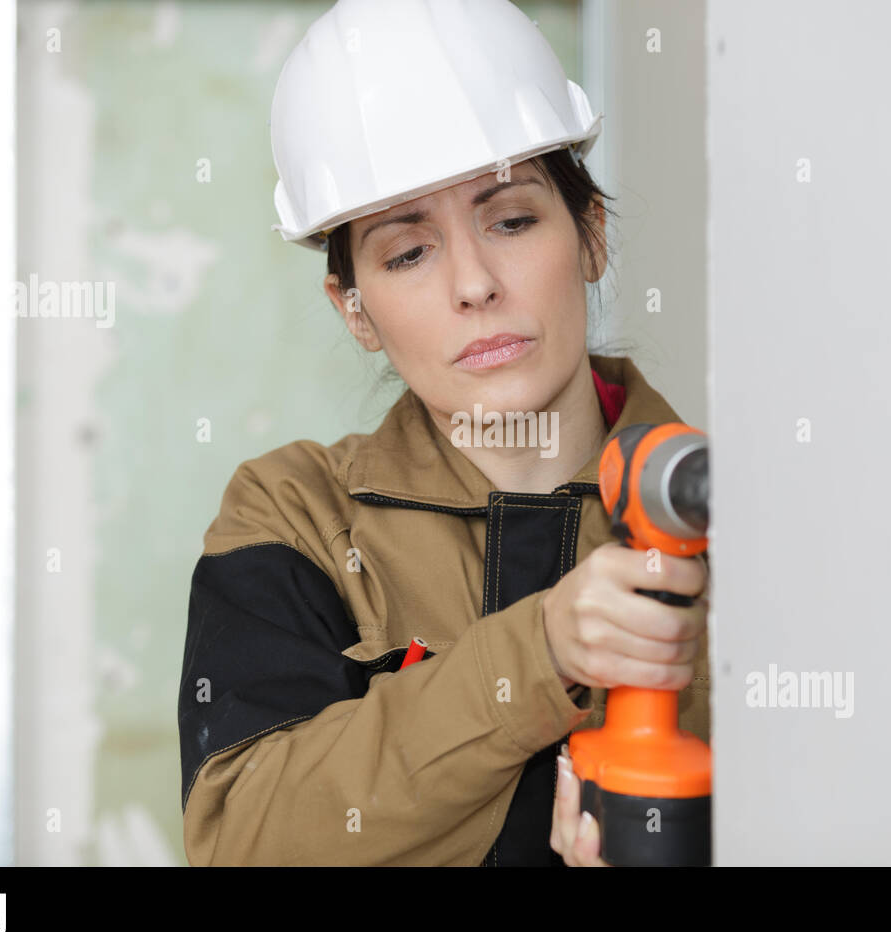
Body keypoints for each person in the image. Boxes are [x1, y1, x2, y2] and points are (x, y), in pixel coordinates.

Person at [177, 0, 710, 867]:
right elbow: (245, 839)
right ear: (354, 310)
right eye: (407, 252)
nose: (473, 283)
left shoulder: (729, 514)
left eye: (510, 220)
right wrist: (541, 652)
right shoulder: (295, 517)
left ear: (590, 236)